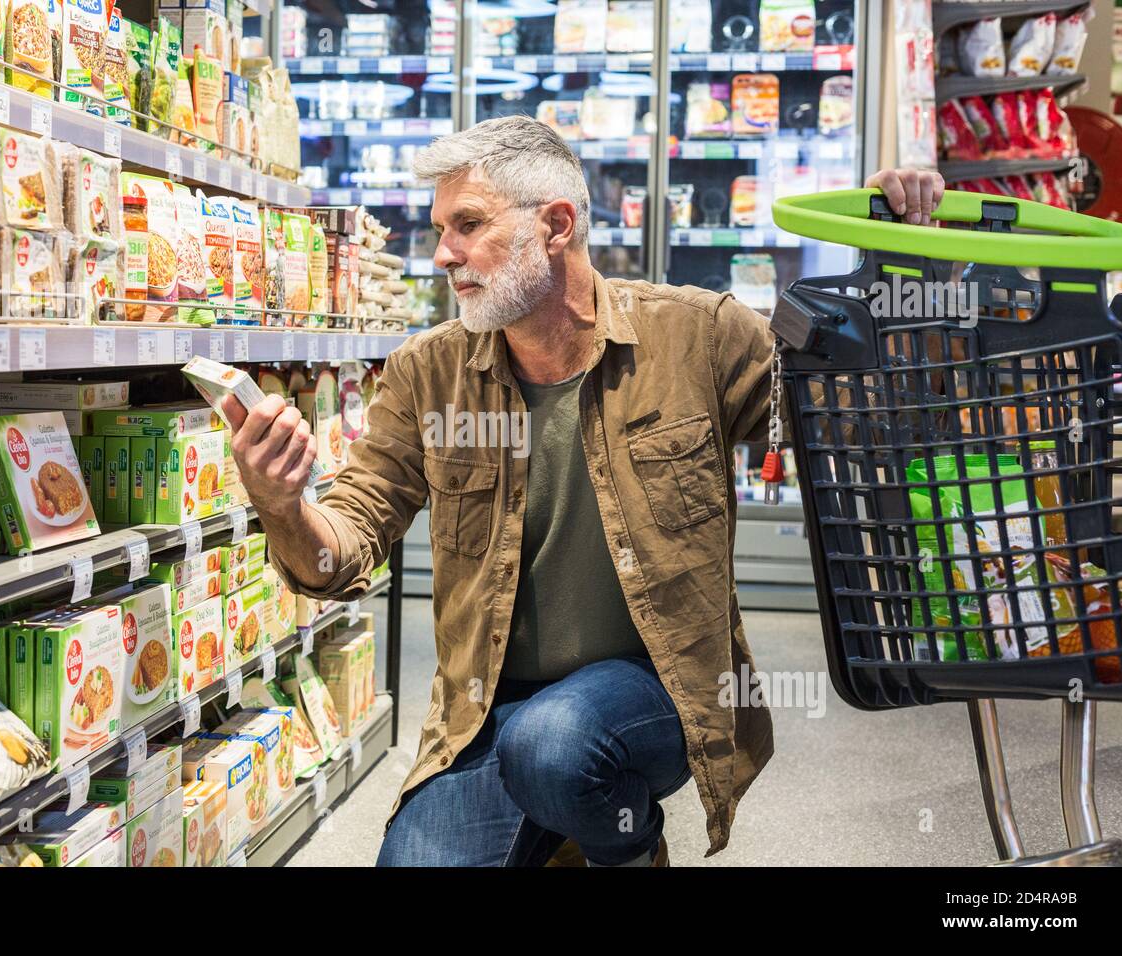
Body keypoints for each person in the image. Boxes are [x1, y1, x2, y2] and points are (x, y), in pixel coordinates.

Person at [221, 115, 945, 867]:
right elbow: (352, 533)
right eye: (441, 229)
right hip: (486, 707)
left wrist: (904, 263)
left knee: (556, 745)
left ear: (556, 225)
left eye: (467, 225)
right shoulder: (425, 374)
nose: (442, 254)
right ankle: (571, 819)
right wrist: (284, 504)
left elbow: (862, 417)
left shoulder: (698, 337)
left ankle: (625, 848)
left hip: (661, 686)